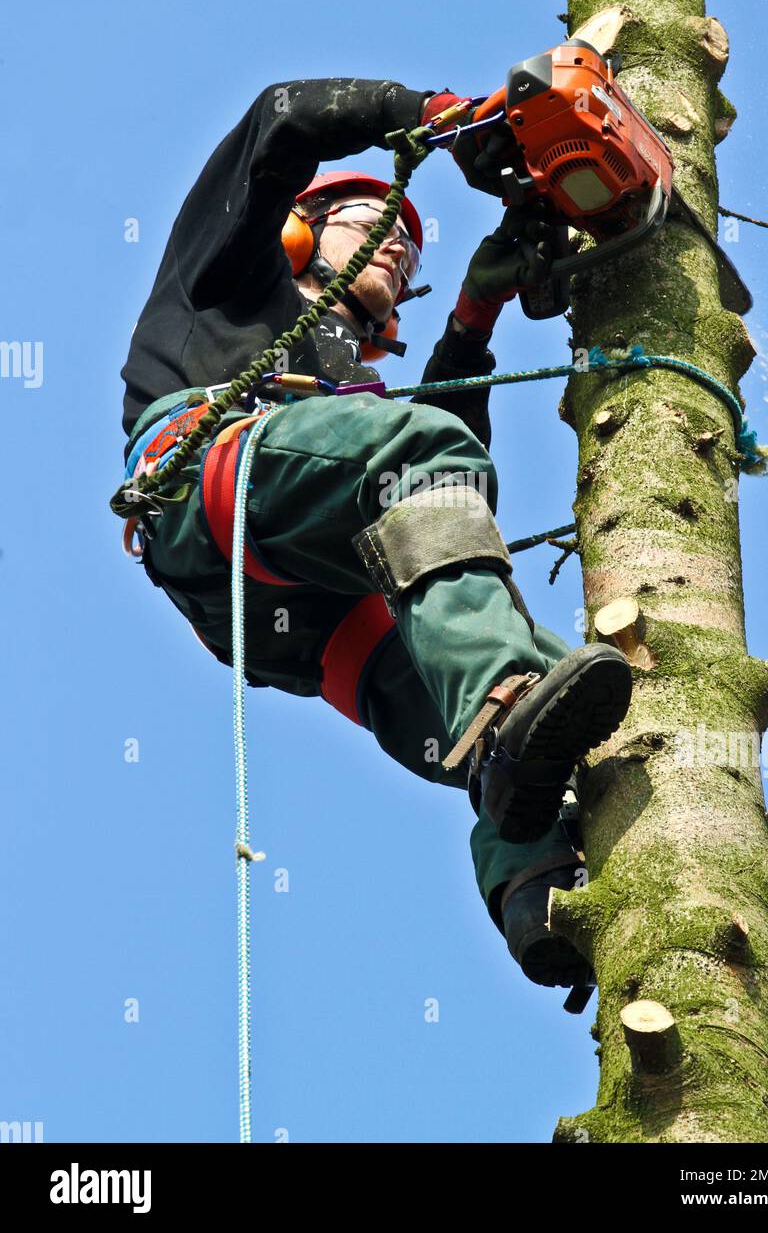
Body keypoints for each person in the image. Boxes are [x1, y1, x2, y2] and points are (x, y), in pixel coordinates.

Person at [118, 77, 632, 1010]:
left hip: (316, 622)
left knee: (594, 709)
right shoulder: (229, 275)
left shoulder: (353, 391)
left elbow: (438, 451)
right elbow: (281, 114)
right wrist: (442, 115)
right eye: (372, 220)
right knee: (436, 504)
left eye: (406, 242)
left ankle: (539, 889)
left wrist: (477, 312)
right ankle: (502, 708)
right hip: (212, 488)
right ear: (302, 230)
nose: (397, 238)